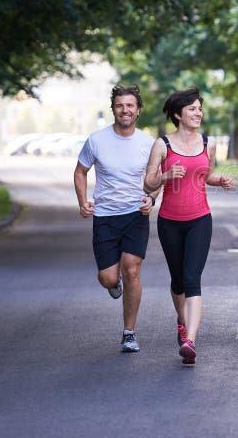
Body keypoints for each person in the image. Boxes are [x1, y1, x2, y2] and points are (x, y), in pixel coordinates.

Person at [144, 86, 232, 365]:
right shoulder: (162, 145)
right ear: (177, 114)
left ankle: (190, 341)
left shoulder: (209, 143)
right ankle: (181, 322)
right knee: (178, 280)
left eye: (200, 108)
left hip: (199, 220)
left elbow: (207, 175)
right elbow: (149, 182)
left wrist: (220, 180)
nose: (198, 113)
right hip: (170, 221)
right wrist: (166, 174)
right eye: (192, 108)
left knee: (193, 279)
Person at [74, 84, 156, 353]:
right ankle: (114, 283)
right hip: (106, 216)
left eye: (130, 105)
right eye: (120, 105)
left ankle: (129, 332)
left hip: (135, 214)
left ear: (138, 109)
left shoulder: (148, 143)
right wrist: (83, 200)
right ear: (113, 109)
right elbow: (80, 172)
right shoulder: (96, 140)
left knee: (132, 268)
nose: (125, 110)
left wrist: (151, 198)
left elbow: (156, 179)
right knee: (108, 278)